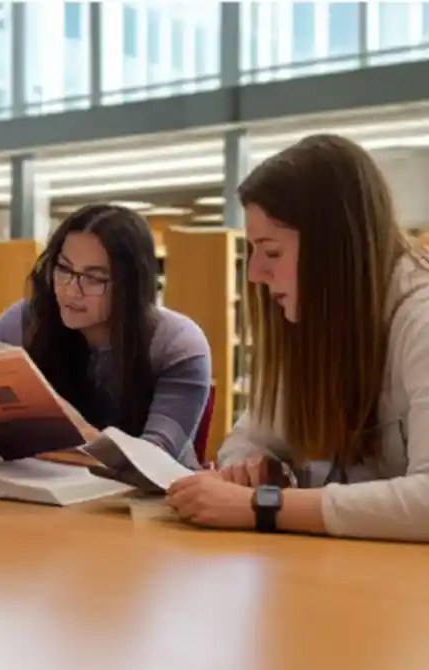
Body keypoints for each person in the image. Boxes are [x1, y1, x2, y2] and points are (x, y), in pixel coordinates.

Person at [166, 134, 429, 542]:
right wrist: (252, 465)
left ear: (334, 251)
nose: (254, 274)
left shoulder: (421, 319)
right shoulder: (318, 322)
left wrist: (263, 506)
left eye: (271, 253)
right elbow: (248, 436)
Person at [0, 204, 211, 465]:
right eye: (64, 269)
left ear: (131, 284)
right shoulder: (24, 323)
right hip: (43, 488)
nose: (71, 291)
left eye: (94, 278)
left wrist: (78, 432)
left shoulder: (177, 343)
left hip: (148, 499)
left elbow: (154, 462)